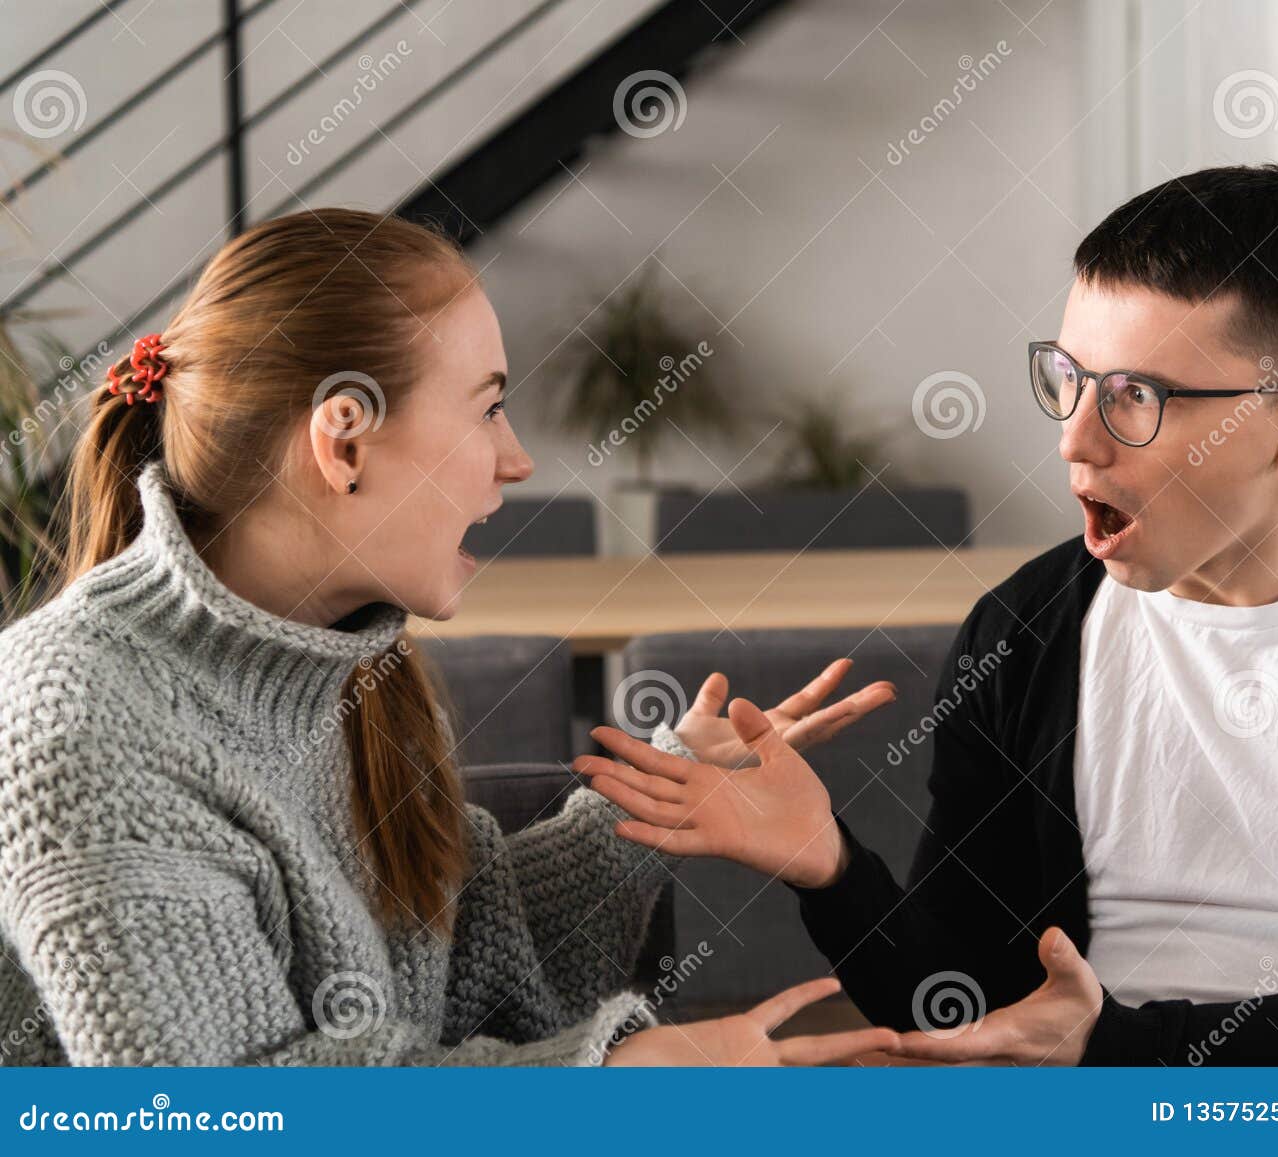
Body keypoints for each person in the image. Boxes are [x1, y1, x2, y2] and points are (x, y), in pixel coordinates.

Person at [582, 163, 1278, 1065]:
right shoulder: (1023, 632)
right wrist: (831, 866)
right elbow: (963, 1011)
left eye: (1135, 398)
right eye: (1066, 380)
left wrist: (1118, 1048)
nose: (1075, 441)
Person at [0, 209, 900, 1067]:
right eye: (486, 408)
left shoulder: (346, 664)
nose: (516, 459)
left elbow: (448, 951)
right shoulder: (77, 712)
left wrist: (657, 808)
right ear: (344, 440)